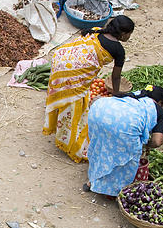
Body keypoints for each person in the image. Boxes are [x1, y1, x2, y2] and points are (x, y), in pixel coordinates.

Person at [43, 15, 135, 163]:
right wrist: (116, 95)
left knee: (64, 99)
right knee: (75, 107)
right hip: (73, 74)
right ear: (124, 34)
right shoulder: (118, 49)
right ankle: (71, 144)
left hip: (61, 61)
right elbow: (116, 76)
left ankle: (57, 128)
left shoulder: (96, 31)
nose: (129, 37)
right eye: (130, 34)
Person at [85, 86, 163, 196]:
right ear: (160, 102)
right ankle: (117, 192)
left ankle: (91, 182)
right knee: (128, 159)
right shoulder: (157, 109)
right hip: (124, 124)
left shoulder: (133, 95)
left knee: (101, 147)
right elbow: (157, 141)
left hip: (98, 111)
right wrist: (146, 145)